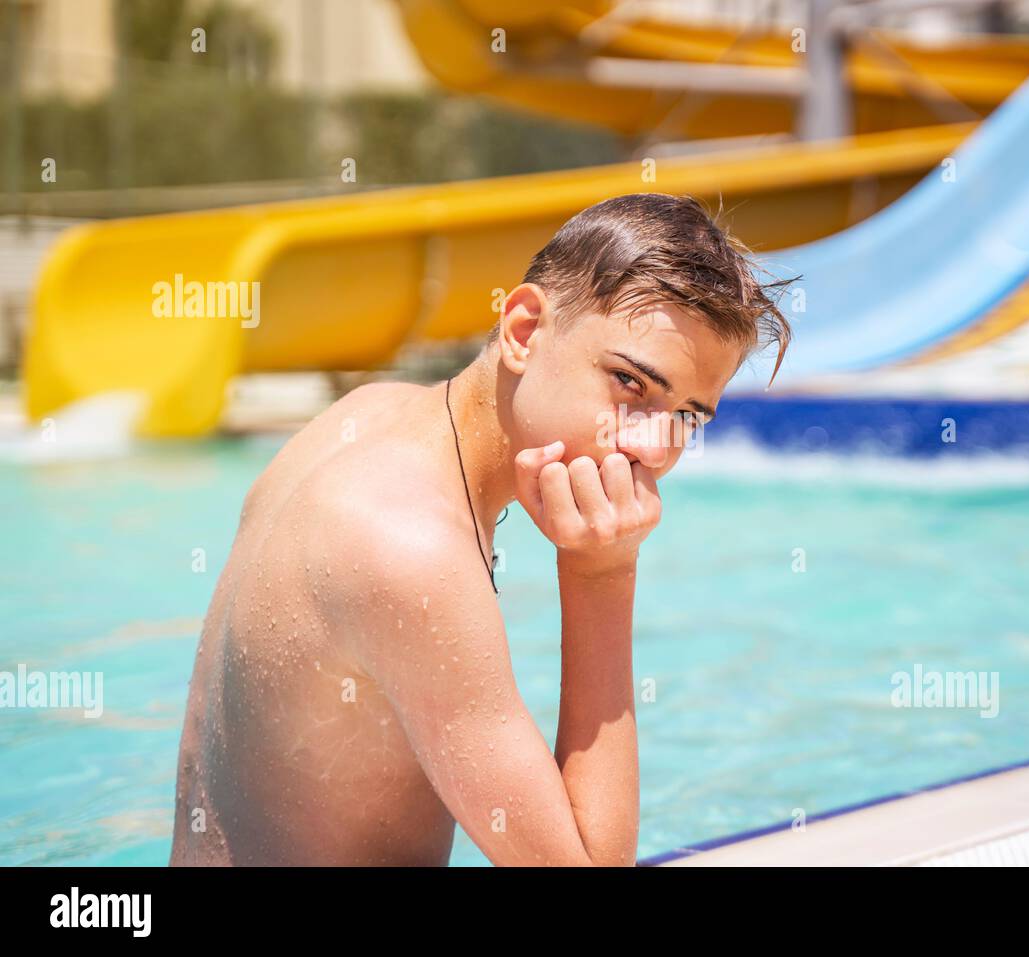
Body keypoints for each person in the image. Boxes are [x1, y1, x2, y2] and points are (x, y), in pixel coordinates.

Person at [168, 193, 794, 866]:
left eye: (688, 417)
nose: (652, 446)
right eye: (631, 384)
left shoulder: (366, 416)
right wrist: (603, 572)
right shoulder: (408, 543)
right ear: (524, 330)